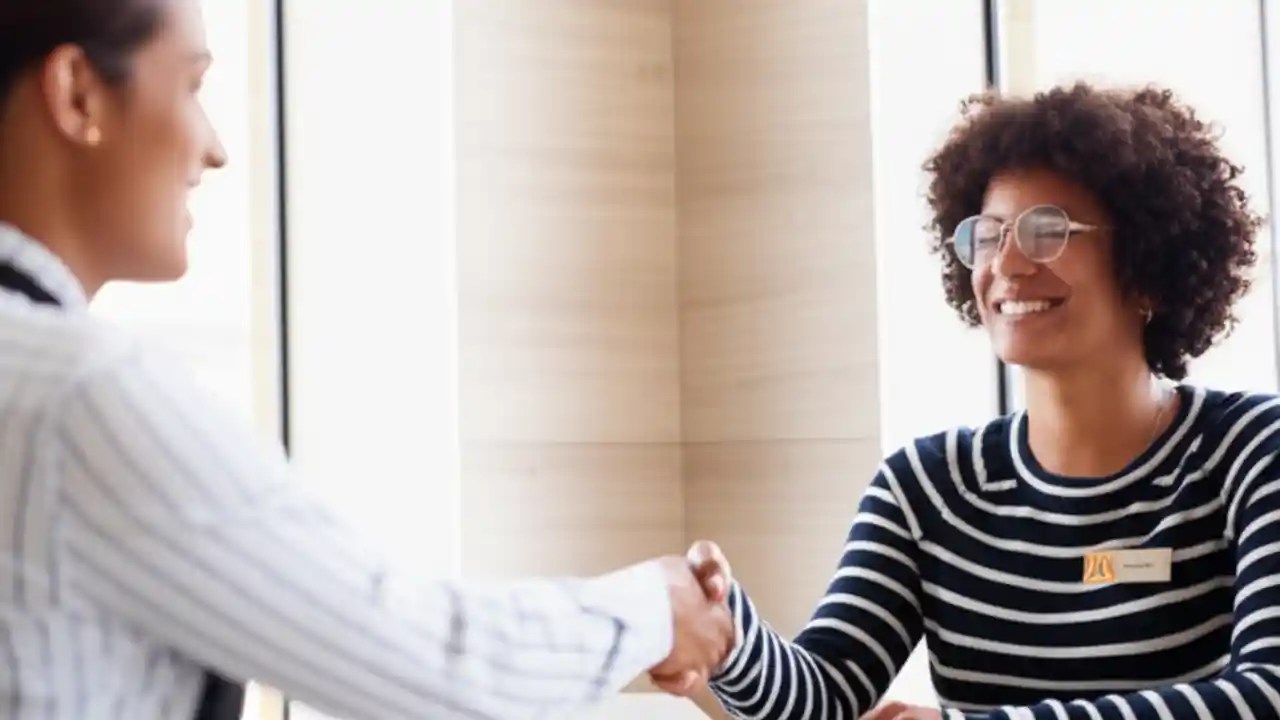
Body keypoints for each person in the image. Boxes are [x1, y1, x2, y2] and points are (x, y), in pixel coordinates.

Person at [0, 0, 734, 718]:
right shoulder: (81, 397)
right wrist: (656, 608)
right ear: (78, 93)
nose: (215, 146)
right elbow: (438, 667)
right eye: (192, 86)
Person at [660, 83, 1280, 720]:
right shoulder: (926, 487)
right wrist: (728, 640)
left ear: (1148, 265)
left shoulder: (1253, 451)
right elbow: (824, 697)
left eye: (1049, 232)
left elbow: (1266, 695)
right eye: (987, 235)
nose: (1006, 266)